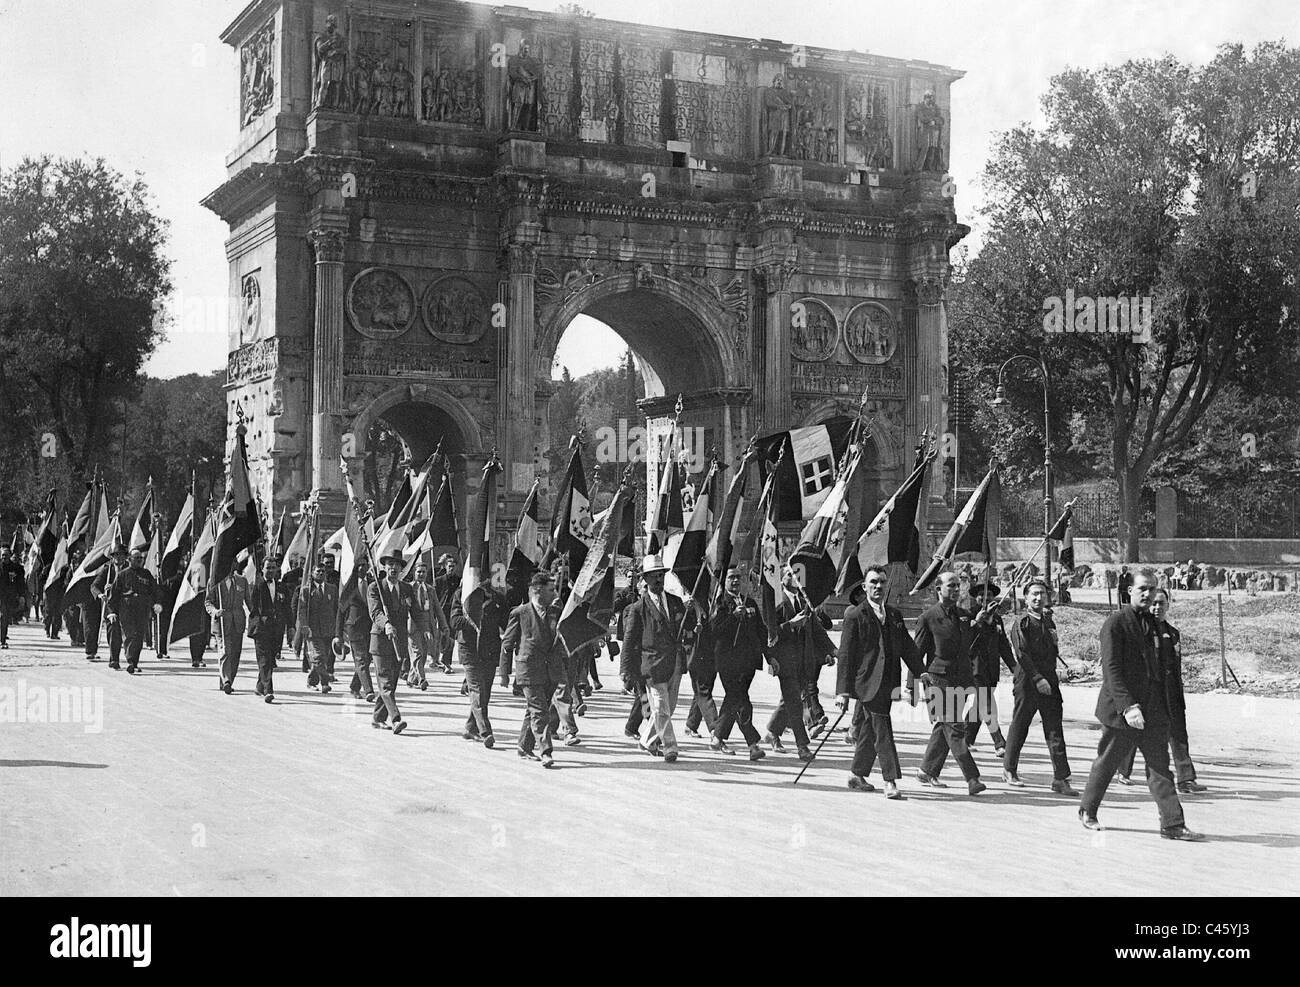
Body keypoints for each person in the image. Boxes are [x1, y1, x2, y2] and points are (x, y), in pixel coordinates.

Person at [1078, 569, 1203, 840]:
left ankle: (1172, 824)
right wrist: (1128, 707)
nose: (1148, 594)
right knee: (1108, 762)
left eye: (1152, 589)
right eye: (1142, 589)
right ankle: (1087, 809)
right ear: (1129, 592)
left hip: (1153, 709)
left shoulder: (1156, 624)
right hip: (1124, 710)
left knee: (1160, 765)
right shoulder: (1115, 624)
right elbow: (1112, 670)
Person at [836, 566, 926, 800]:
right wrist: (842, 692)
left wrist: (921, 673)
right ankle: (890, 780)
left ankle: (857, 774)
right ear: (864, 587)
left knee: (868, 730)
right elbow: (845, 656)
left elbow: (907, 646)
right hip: (866, 683)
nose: (878, 586)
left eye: (882, 582)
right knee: (883, 730)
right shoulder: (855, 615)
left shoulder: (894, 615)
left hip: (888, 683)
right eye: (873, 582)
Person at [1116, 588, 1207, 794]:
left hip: (1170, 691)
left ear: (1168, 605)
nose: (1157, 608)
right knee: (1135, 731)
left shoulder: (1173, 633)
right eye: (1154, 603)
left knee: (1178, 733)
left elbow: (1175, 665)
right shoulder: (1141, 631)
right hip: (1146, 691)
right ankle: (1123, 771)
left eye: (1161, 604)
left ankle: (1186, 779)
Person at [912, 572, 988, 796]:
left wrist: (980, 624)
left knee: (944, 727)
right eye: (950, 586)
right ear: (938, 589)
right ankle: (972, 778)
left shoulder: (964, 616)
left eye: (958, 586)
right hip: (938, 680)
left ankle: (927, 770)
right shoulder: (928, 617)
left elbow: (968, 644)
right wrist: (911, 684)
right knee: (955, 728)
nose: (955, 590)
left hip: (961, 679)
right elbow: (916, 654)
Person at [1002, 579, 1075, 793]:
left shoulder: (1049, 622)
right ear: (1025, 598)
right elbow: (1022, 654)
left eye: (1042, 594)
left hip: (1049, 680)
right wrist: (1037, 678)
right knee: (1021, 723)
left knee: (1054, 727)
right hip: (1027, 680)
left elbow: (1052, 651)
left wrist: (1057, 674)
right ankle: (1009, 768)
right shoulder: (1021, 623)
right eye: (1034, 594)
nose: (1038, 598)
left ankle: (1061, 778)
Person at [622, 555, 690, 763]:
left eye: (661, 575)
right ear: (645, 580)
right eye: (653, 576)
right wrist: (625, 669)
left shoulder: (676, 602)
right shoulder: (638, 608)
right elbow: (629, 639)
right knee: (661, 707)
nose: (658, 580)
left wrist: (691, 611)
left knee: (669, 706)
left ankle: (647, 740)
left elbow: (685, 626)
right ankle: (670, 746)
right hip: (652, 664)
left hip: (675, 662)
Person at [500, 572, 567, 768]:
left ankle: (524, 746)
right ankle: (546, 751)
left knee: (535, 711)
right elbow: (507, 643)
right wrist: (504, 673)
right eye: (551, 590)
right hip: (529, 670)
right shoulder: (520, 613)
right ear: (538, 590)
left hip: (550, 671)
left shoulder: (555, 613)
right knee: (540, 711)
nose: (555, 594)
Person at [709, 567, 767, 761]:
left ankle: (718, 735)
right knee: (739, 698)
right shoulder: (720, 603)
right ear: (724, 581)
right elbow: (714, 631)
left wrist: (769, 656)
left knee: (737, 699)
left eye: (738, 578)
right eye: (731, 577)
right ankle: (752, 744)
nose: (735, 581)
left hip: (748, 661)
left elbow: (760, 630)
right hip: (727, 661)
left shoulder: (750, 602)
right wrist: (733, 616)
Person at [963, 580, 1016, 755]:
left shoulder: (998, 619)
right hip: (974, 668)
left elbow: (1004, 646)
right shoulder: (968, 616)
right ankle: (1000, 743)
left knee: (980, 705)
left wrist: (1015, 668)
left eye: (990, 596)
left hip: (992, 669)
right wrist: (979, 622)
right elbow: (965, 643)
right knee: (987, 705)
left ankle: (965, 738)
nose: (986, 599)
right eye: (981, 595)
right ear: (975, 598)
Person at [452, 582, 506, 748]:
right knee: (477, 690)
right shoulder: (463, 593)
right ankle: (485, 731)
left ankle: (470, 727)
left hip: (489, 649)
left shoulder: (497, 596)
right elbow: (454, 621)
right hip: (469, 648)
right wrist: (476, 619)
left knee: (485, 692)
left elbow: (505, 621)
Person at [368, 553, 413, 735]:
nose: (393, 568)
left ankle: (378, 718)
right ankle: (395, 719)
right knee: (385, 682)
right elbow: (375, 611)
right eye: (389, 564)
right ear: (384, 567)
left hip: (399, 641)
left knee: (391, 684)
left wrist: (428, 629)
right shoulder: (375, 587)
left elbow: (415, 611)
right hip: (380, 640)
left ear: (402, 569)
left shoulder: (407, 588)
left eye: (397, 565)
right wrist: (386, 624)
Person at [104, 548, 163, 675]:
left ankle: (134, 662)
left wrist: (157, 603)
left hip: (142, 608)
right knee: (130, 634)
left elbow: (155, 590)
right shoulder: (122, 575)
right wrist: (112, 611)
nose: (139, 561)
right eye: (136, 558)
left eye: (141, 558)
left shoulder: (146, 574)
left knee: (139, 636)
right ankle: (130, 661)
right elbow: (113, 595)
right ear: (129, 559)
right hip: (127, 608)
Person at [245, 555, 286, 703]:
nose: (270, 570)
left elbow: (285, 608)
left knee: (270, 659)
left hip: (275, 629)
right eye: (268, 567)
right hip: (261, 628)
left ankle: (259, 686)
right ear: (262, 569)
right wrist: (261, 619)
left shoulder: (280, 586)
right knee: (264, 659)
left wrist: (290, 626)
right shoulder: (256, 585)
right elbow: (252, 607)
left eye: (273, 568)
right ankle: (269, 690)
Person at [206, 566, 250, 693]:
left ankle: (228, 679)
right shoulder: (214, 581)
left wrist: (255, 615)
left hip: (238, 622)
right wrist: (215, 611)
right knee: (225, 650)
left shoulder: (242, 580)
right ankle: (226, 681)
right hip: (221, 622)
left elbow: (249, 601)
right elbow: (208, 602)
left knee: (235, 653)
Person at [298, 560, 339, 693]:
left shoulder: (332, 589)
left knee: (324, 658)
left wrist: (338, 629)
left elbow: (336, 609)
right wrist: (304, 626)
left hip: (328, 629)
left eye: (323, 572)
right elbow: (302, 609)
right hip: (313, 630)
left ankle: (311, 681)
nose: (321, 574)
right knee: (318, 657)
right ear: (312, 573)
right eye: (318, 571)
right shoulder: (306, 590)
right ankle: (325, 682)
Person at [338, 560, 374, 701]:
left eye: (365, 565)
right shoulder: (349, 587)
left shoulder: (372, 583)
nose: (362, 568)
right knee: (361, 659)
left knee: (368, 658)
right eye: (360, 566)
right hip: (354, 628)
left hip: (370, 628)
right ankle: (369, 690)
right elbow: (340, 611)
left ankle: (354, 686)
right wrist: (338, 634)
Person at [406, 561, 441, 690]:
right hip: (413, 625)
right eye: (418, 571)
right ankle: (422, 679)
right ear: (414, 573)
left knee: (424, 653)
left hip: (427, 626)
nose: (421, 574)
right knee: (417, 653)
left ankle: (411, 678)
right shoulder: (408, 588)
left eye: (423, 572)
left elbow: (437, 609)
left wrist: (444, 626)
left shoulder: (430, 590)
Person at [92, 548, 129, 669]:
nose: (119, 558)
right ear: (112, 557)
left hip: (127, 605)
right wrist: (101, 593)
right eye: (116, 555)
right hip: (111, 606)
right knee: (113, 631)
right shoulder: (107, 571)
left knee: (130, 635)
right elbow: (94, 586)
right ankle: (114, 659)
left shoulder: (130, 569)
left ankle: (132, 659)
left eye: (121, 555)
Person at [434, 552, 459, 674]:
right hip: (442, 611)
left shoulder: (459, 581)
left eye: (453, 566)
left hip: (454, 612)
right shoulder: (438, 581)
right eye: (449, 566)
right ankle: (439, 658)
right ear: (445, 566)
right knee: (442, 636)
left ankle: (446, 661)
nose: (451, 568)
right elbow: (435, 598)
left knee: (451, 637)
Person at [0, 545, 25, 648]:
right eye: (2, 555)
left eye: (6, 555)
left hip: (9, 597)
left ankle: (3, 639)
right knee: (2, 617)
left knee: (4, 618)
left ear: (10, 555)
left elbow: (20, 583)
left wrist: (21, 596)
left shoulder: (15, 568)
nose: (4, 558)